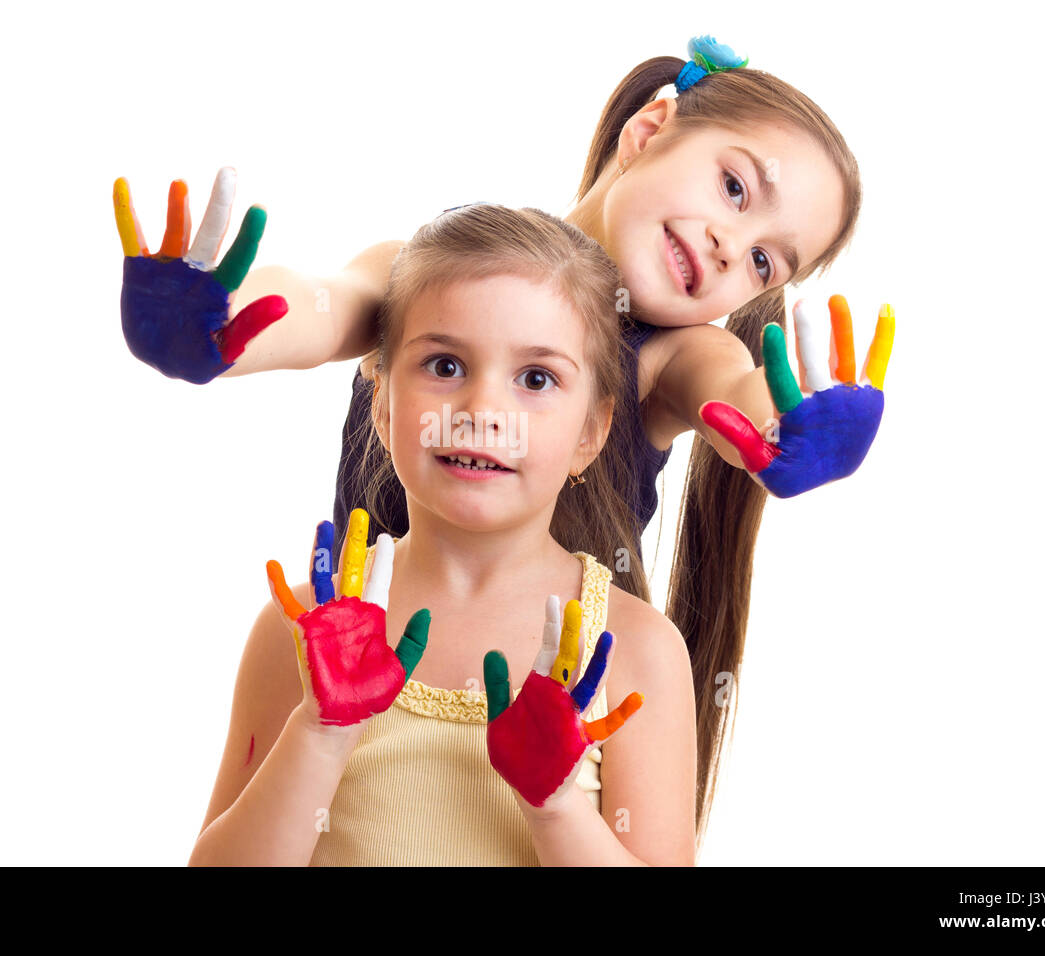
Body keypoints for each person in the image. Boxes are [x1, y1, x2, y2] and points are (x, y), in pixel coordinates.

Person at [116, 35, 893, 842]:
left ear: (593, 425)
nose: (734, 246)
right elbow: (320, 305)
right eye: (734, 187)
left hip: (548, 725)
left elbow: (734, 395)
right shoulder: (432, 275)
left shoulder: (672, 355)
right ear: (651, 128)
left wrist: (788, 428)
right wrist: (221, 331)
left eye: (765, 262)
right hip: (353, 685)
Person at [188, 205, 696, 865]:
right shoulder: (304, 631)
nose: (484, 412)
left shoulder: (634, 651)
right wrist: (318, 734)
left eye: (536, 379)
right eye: (446, 366)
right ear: (383, 400)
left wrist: (558, 807)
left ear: (590, 433)